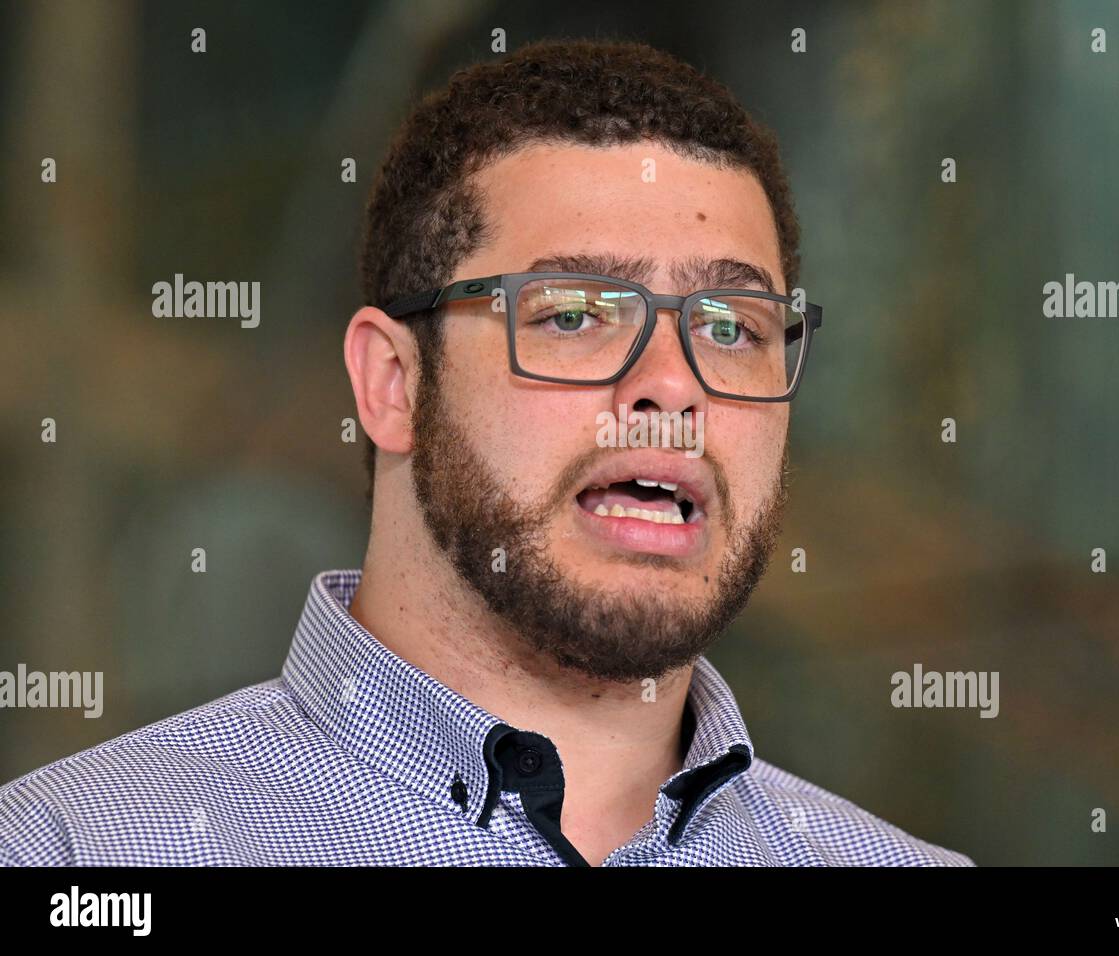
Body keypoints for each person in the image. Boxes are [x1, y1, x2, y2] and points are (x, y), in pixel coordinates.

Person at [0, 37, 972, 867]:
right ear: (393, 382)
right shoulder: (74, 850)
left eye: (729, 324)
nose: (675, 385)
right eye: (578, 313)